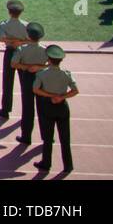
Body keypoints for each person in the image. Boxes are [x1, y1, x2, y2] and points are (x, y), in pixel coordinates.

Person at [32, 45, 78, 174]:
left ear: (49, 59)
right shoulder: (66, 74)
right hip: (62, 106)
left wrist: (51, 96)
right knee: (65, 138)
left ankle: (46, 163)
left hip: (47, 106)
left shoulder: (42, 74)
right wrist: (61, 97)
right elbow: (75, 91)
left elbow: (35, 89)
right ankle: (68, 165)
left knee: (47, 138)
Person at [10, 22, 48, 146]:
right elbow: (50, 64)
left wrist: (26, 67)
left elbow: (13, 64)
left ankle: (26, 136)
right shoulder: (45, 50)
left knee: (27, 107)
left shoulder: (22, 49)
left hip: (27, 77)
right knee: (43, 108)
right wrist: (38, 67)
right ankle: (47, 136)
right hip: (41, 78)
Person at [0, 0, 29, 119]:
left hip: (10, 52)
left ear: (9, 12)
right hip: (23, 53)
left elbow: (0, 38)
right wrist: (19, 42)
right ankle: (26, 111)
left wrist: (11, 41)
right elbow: (31, 40)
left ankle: (5, 109)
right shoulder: (26, 25)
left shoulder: (4, 24)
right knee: (24, 83)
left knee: (7, 81)